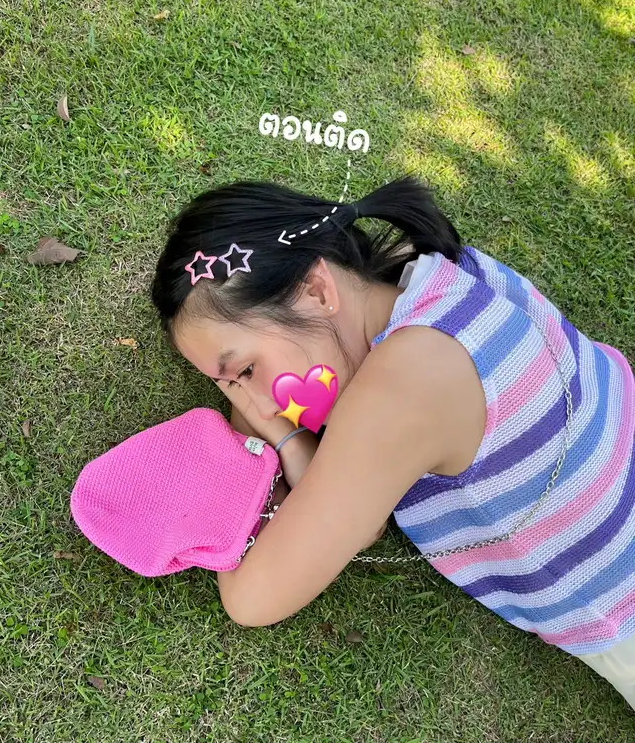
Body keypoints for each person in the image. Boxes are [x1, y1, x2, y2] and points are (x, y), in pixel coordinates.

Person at [151, 175, 635, 710]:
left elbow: (252, 597)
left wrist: (285, 440)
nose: (257, 407)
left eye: (244, 371)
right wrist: (284, 430)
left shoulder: (404, 388)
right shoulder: (420, 272)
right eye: (228, 386)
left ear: (317, 289)